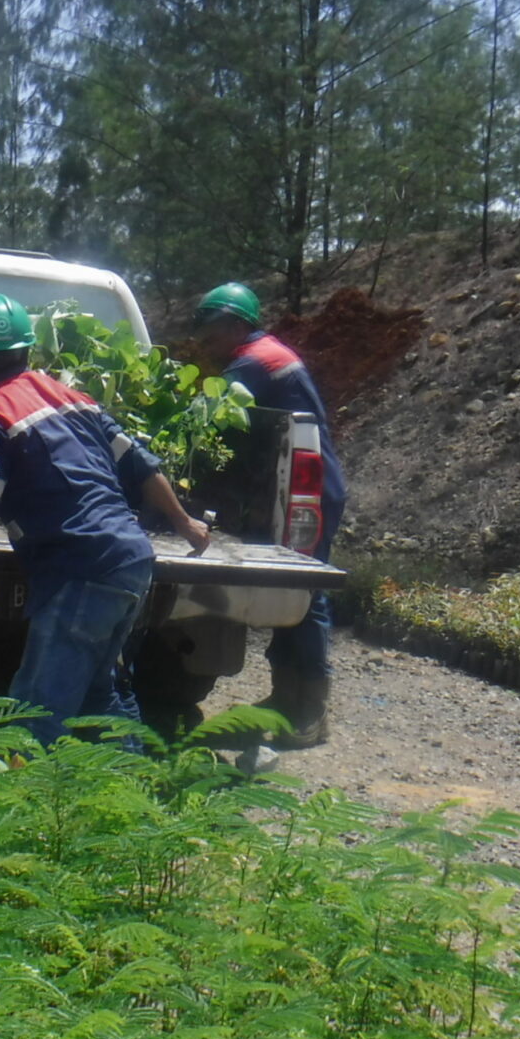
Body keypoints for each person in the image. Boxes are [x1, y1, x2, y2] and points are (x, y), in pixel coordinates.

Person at [0, 293, 209, 746]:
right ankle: (135, 785)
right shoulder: (73, 400)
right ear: (27, 353)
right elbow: (140, 464)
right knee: (98, 692)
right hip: (132, 558)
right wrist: (185, 523)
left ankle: (17, 801)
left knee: (35, 711)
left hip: (82, 569)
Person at [190, 282, 347, 747]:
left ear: (238, 324)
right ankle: (285, 698)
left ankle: (311, 711)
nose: (205, 342)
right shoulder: (261, 355)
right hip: (303, 485)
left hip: (311, 490)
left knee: (307, 593)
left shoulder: (258, 360)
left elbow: (210, 413)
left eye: (211, 331)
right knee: (290, 590)